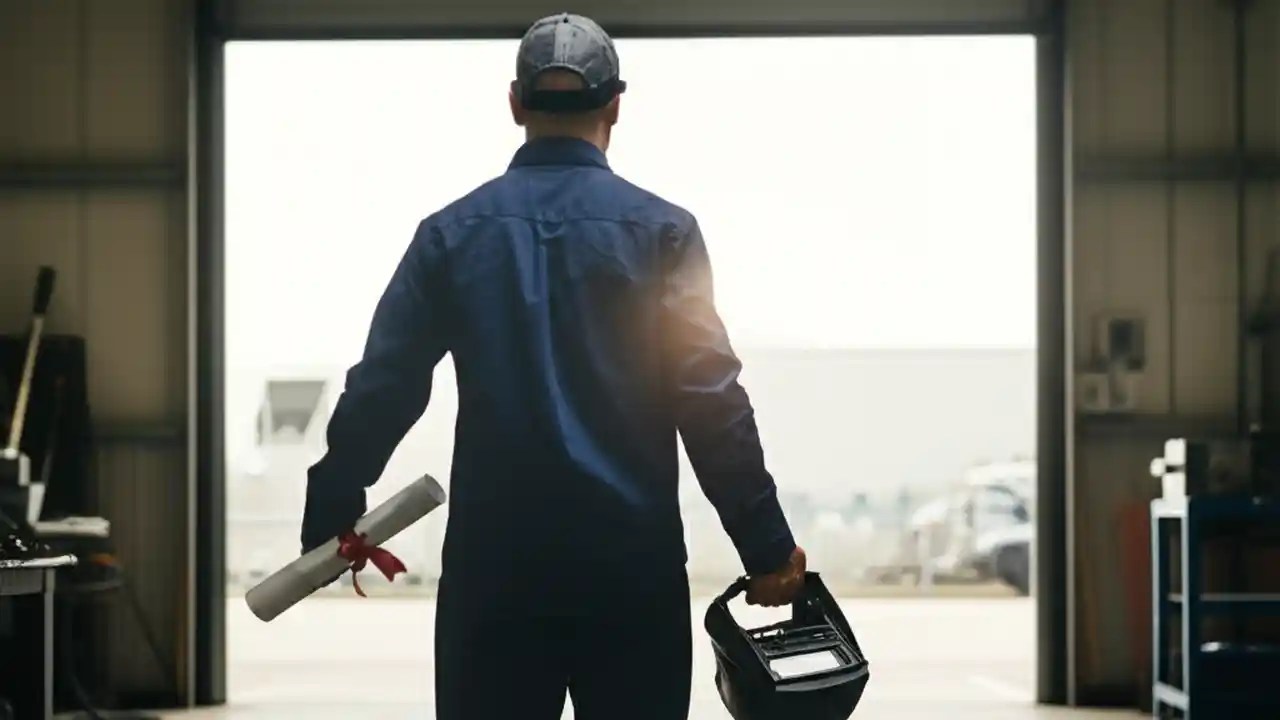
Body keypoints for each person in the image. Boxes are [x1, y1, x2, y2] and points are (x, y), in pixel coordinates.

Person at [300, 13, 806, 720]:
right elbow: (709, 399)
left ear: (515, 104)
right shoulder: (664, 233)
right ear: (616, 106)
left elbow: (386, 382)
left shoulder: (451, 235)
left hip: (495, 572)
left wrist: (333, 501)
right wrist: (765, 543)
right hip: (631, 571)